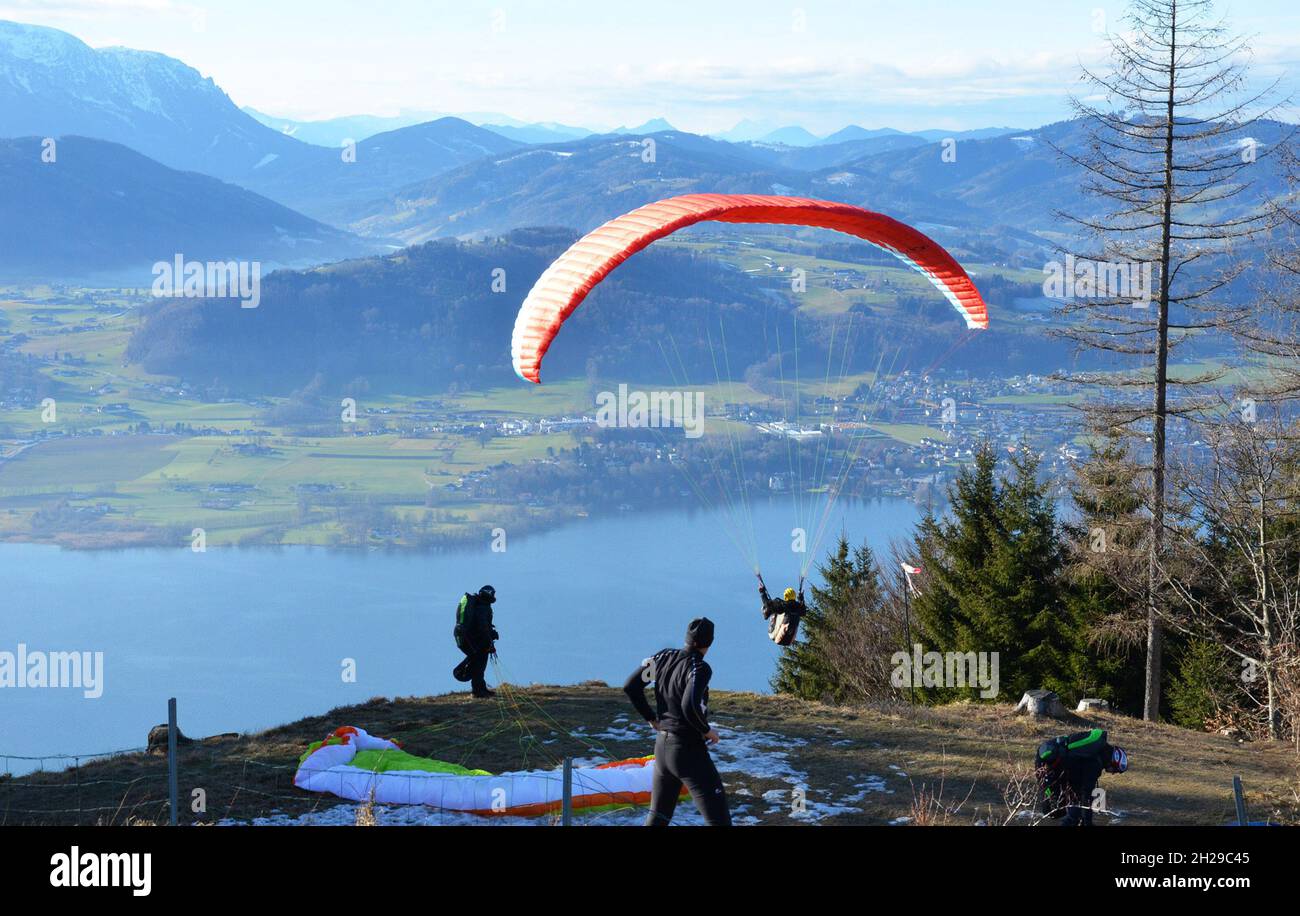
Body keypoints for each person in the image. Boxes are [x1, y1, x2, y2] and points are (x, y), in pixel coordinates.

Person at [623, 617, 731, 826]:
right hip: (688, 750)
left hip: (662, 748)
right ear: (709, 642)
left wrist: (651, 717)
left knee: (658, 818)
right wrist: (707, 730)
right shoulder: (699, 668)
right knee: (719, 821)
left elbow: (631, 686)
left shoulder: (663, 656)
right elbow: (689, 706)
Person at [1035, 728, 1128, 826]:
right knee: (1053, 811)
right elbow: (1087, 795)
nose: (1113, 773)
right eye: (1115, 770)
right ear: (1112, 763)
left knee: (1074, 810)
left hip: (1061, 768)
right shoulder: (1095, 763)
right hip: (1047, 766)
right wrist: (1088, 822)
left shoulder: (1095, 751)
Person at [453, 585, 499, 699]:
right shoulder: (482, 607)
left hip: (471, 639)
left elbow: (483, 627)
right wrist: (490, 638)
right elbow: (483, 627)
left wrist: (490, 635)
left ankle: (480, 689)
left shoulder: (479, 605)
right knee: (479, 663)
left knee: (478, 662)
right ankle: (478, 691)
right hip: (475, 640)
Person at [758, 575, 806, 646]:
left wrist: (762, 592)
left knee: (772, 611)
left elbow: (767, 606)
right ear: (794, 596)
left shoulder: (782, 605)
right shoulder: (799, 607)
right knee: (778, 611)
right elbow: (803, 612)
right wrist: (801, 598)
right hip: (790, 640)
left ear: (785, 597)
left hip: (777, 637)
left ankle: (771, 613)